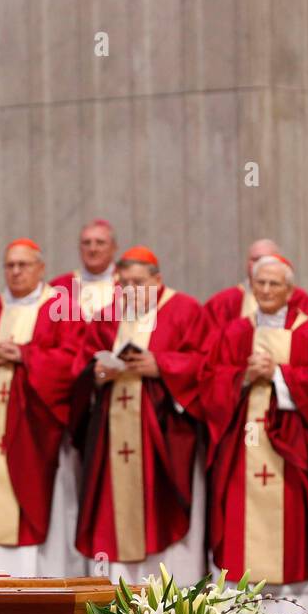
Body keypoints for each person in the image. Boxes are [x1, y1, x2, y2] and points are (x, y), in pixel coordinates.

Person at [201, 255, 308, 614]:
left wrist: (279, 374)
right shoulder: (234, 331)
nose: (267, 290)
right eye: (260, 283)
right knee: (237, 507)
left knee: (293, 509)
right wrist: (242, 377)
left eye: (275, 284)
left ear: (290, 290)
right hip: (242, 439)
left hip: (290, 440)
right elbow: (209, 382)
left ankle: (295, 605)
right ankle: (238, 604)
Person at [72, 246, 211, 584]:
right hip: (113, 431)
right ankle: (119, 593)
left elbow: (207, 364)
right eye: (125, 283)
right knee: (114, 515)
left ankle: (175, 595)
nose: (131, 291)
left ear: (158, 279)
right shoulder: (107, 316)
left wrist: (161, 366)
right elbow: (80, 366)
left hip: (165, 434)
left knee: (163, 509)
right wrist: (99, 374)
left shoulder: (184, 309)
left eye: (139, 282)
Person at [0, 238, 81, 577]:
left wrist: (24, 355)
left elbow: (71, 361)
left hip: (36, 433)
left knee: (35, 507)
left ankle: (38, 585)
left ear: (41, 268)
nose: (16, 271)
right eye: (10, 265)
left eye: (23, 265)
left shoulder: (60, 308)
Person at [203, 239, 308, 330]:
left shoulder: (300, 299)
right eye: (255, 259)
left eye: (274, 284)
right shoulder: (222, 302)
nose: (266, 290)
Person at [51, 219, 118, 322]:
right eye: (86, 243)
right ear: (79, 248)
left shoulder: (128, 284)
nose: (92, 249)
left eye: (100, 242)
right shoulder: (60, 286)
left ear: (114, 247)